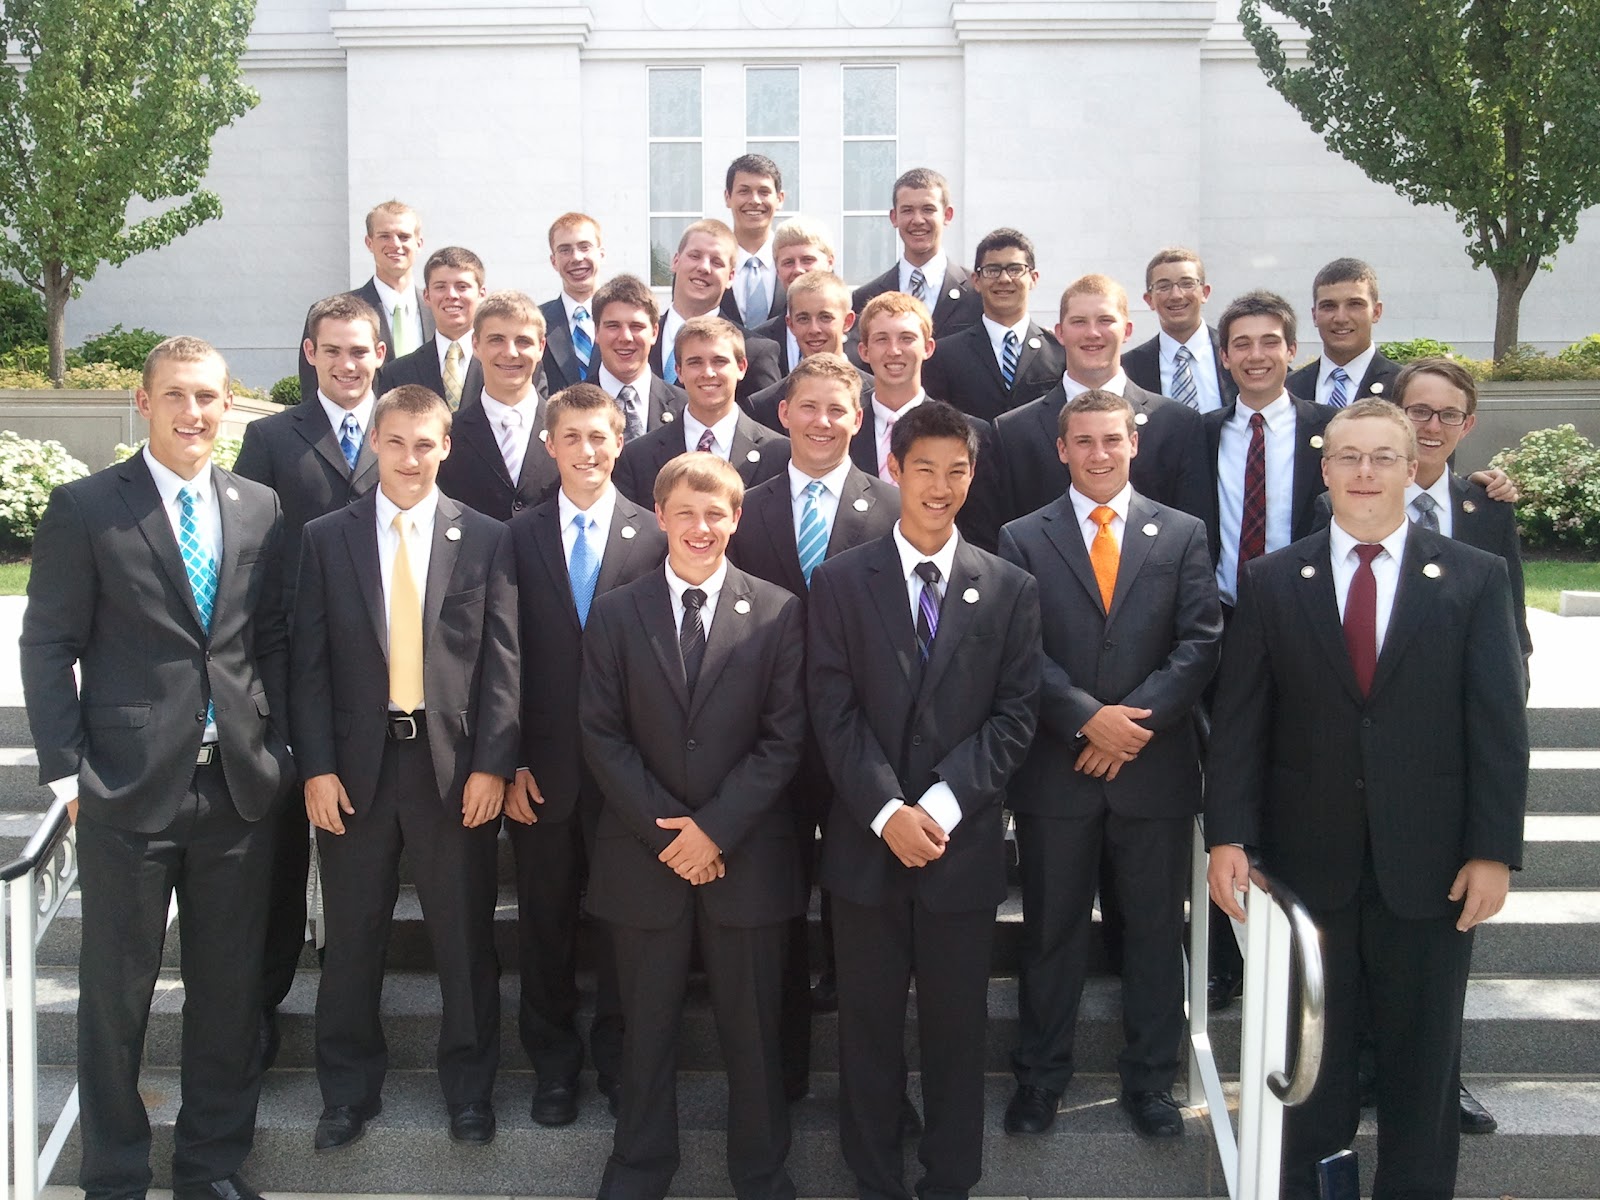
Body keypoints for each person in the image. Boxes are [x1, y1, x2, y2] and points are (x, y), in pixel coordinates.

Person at [1207, 397, 1528, 1198]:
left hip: (1433, 873)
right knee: (1312, 1070)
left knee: (1423, 1077)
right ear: (1323, 471)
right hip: (1307, 873)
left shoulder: (1472, 579)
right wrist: (1228, 838)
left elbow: (1497, 726)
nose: (1364, 473)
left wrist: (1494, 851)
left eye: (1383, 457)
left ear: (1413, 464)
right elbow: (1242, 724)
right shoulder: (1274, 580)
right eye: (1347, 457)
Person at [22, 336, 292, 1200]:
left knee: (228, 995)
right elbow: (47, 644)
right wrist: (67, 776)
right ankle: (115, 1172)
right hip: (126, 788)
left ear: (228, 405)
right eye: (177, 395)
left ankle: (211, 1167)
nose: (194, 413)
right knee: (115, 996)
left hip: (237, 788)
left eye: (209, 397)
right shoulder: (88, 507)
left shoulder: (258, 507)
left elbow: (271, 640)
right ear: (144, 402)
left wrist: (276, 750)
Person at [808, 400, 1041, 1200]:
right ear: (894, 471)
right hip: (865, 847)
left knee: (954, 1032)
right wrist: (887, 812)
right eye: (925, 469)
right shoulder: (839, 581)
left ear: (973, 476)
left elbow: (1016, 715)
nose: (940, 486)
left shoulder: (1008, 586)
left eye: (957, 470)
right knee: (867, 1034)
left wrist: (937, 810)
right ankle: (873, 1180)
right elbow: (829, 709)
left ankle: (950, 1181)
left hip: (959, 849)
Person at [292, 384, 519, 1151]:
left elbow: (501, 666)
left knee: (463, 937)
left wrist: (494, 763)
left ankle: (469, 1092)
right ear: (374, 445)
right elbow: (308, 665)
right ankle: (347, 1094)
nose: (411, 458)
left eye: (426, 444)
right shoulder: (327, 538)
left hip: (451, 770)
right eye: (396, 443)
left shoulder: (486, 538)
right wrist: (316, 767)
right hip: (355, 769)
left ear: (446, 447)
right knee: (353, 938)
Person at [1311, 357, 1531, 1134]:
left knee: (1426, 1026)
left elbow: (1503, 703)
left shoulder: (1479, 532)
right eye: (1418, 411)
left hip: (1432, 819)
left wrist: (1494, 843)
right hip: (1334, 825)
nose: (1429, 426)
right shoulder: (1321, 533)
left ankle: (1433, 1088)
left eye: (1444, 416)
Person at [580, 452, 807, 1200]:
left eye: (716, 514)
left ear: (737, 519)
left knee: (755, 1037)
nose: (701, 527)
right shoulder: (617, 611)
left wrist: (714, 832)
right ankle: (638, 1172)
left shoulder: (777, 611)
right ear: (661, 518)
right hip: (645, 864)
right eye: (686, 513)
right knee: (644, 1037)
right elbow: (602, 736)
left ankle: (762, 1177)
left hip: (746, 861)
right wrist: (673, 836)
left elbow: (784, 741)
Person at [997, 390, 1222, 1140]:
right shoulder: (1023, 537)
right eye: (1083, 441)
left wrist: (1130, 727)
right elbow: (1018, 648)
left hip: (1152, 773)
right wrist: (1086, 719)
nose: (1099, 454)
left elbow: (1198, 643)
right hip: (1057, 773)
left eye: (1112, 440)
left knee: (1156, 933)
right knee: (1052, 933)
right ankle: (1040, 1080)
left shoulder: (1183, 532)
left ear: (1135, 444)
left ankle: (1153, 1082)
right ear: (1061, 449)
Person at [726, 352, 900, 1096]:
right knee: (774, 913)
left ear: (858, 419)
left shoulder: (892, 509)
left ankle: (871, 1089)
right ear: (783, 414)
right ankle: (785, 1073)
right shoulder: (746, 506)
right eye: (809, 407)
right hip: (768, 744)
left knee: (866, 919)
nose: (823, 422)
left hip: (863, 744)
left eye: (838, 409)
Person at [506, 382, 668, 1126]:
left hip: (630, 777)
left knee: (623, 927)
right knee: (543, 925)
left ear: (620, 440)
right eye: (572, 437)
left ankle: (620, 1058)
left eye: (601, 436)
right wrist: (506, 761)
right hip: (540, 775)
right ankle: (553, 1066)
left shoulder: (655, 533)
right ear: (550, 446)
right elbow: (498, 661)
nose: (588, 451)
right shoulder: (515, 534)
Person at [234, 292, 386, 1067]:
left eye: (360, 350)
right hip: (293, 666)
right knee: (282, 848)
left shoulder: (405, 431)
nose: (348, 362)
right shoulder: (269, 440)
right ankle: (261, 1009)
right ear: (310, 354)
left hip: (385, 679)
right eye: (333, 350)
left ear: (381, 355)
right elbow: (248, 562)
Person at [994, 274, 1210, 527]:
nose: (1093, 333)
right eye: (1079, 322)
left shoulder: (1177, 423)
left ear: (1127, 330)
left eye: (1105, 320)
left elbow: (1195, 530)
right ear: (1060, 333)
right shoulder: (1013, 431)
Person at [852, 291, 1007, 551]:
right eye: (881, 339)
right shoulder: (846, 431)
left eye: (907, 338)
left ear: (928, 348)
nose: (894, 350)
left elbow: (982, 531)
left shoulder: (973, 432)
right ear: (864, 351)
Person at [614, 316, 790, 507]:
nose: (708, 373)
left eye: (719, 361)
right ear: (679, 371)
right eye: (695, 362)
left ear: (741, 368)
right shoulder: (637, 456)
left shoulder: (778, 454)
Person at [435, 290, 559, 520]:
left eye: (523, 341)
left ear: (541, 347)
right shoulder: (450, 433)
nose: (510, 353)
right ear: (476, 344)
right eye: (496, 340)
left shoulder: (565, 430)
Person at [296, 199, 433, 402]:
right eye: (384, 236)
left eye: (404, 236)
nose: (395, 244)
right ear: (369, 243)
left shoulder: (439, 311)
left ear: (419, 243)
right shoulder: (330, 314)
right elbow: (313, 392)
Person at [922, 227, 1064, 421]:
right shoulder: (944, 355)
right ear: (976, 281)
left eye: (1015, 269)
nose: (1004, 279)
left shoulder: (1059, 352)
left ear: (1033, 278)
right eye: (992, 270)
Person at [651, 219, 781, 401]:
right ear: (675, 261)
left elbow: (762, 426)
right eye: (695, 256)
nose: (704, 268)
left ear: (731, 277)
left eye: (716, 262)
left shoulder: (754, 352)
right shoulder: (637, 339)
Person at [850, 167, 982, 338]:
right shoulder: (866, 297)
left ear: (947, 215)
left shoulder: (977, 293)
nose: (918, 220)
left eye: (928, 209)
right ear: (894, 217)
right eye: (907, 210)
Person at [745, 269, 871, 430]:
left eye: (825, 317)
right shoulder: (763, 406)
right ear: (790, 325)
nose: (814, 329)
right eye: (803, 319)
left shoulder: (876, 396)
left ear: (848, 321)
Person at [1121, 246, 1237, 411]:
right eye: (1164, 286)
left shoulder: (1237, 353)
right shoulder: (1129, 368)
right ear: (1149, 300)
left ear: (1205, 292)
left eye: (1187, 284)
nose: (1176, 295)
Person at [377, 245, 487, 409]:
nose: (451, 295)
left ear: (481, 294)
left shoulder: (503, 364)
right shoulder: (399, 372)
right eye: (441, 287)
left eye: (462, 286)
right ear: (426, 296)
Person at [1285, 257, 1400, 407]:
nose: (1341, 318)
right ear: (1314, 316)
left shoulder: (1403, 386)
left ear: (1376, 312)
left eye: (1354, 304)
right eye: (1329, 306)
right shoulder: (1287, 388)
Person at [588, 273, 687, 439]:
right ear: (596, 332)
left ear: (655, 332)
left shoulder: (685, 407)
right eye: (613, 326)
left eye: (636, 326)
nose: (625, 337)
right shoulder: (570, 408)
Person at [746, 220, 843, 376]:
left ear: (830, 262)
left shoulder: (863, 336)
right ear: (777, 271)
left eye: (807, 260)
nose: (798, 269)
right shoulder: (760, 342)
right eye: (788, 262)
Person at [719, 153, 788, 328]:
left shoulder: (800, 262)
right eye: (744, 191)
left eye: (764, 192)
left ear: (780, 199)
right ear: (727, 197)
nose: (755, 201)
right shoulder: (708, 264)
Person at [542, 212, 607, 392]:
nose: (576, 258)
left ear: (601, 254)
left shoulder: (628, 320)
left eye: (584, 247)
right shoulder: (536, 322)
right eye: (565, 250)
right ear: (554, 261)